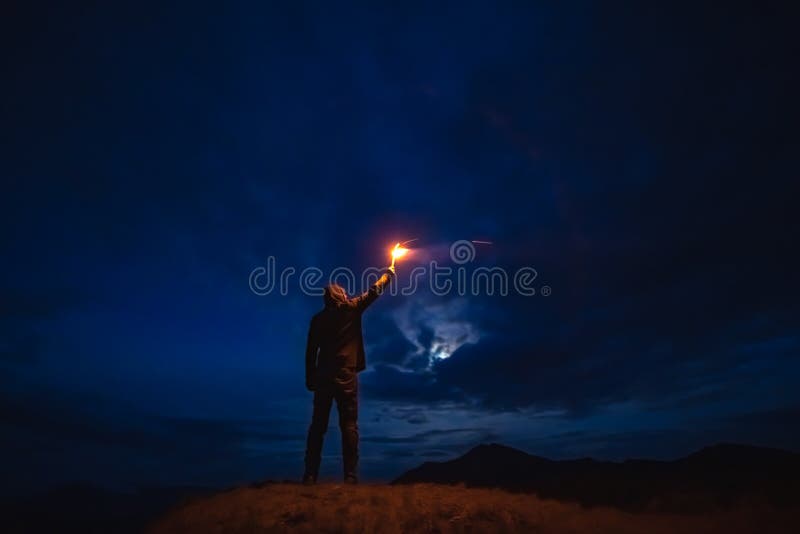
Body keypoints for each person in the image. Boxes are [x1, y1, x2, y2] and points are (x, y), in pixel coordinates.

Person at [302, 266, 395, 484]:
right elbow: (374, 292)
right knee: (349, 425)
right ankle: (351, 476)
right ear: (339, 296)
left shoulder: (317, 320)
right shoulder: (352, 309)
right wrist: (388, 274)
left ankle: (310, 474)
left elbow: (310, 351)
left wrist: (310, 377)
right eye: (343, 292)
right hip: (346, 376)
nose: (347, 294)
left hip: (323, 377)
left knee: (318, 426)